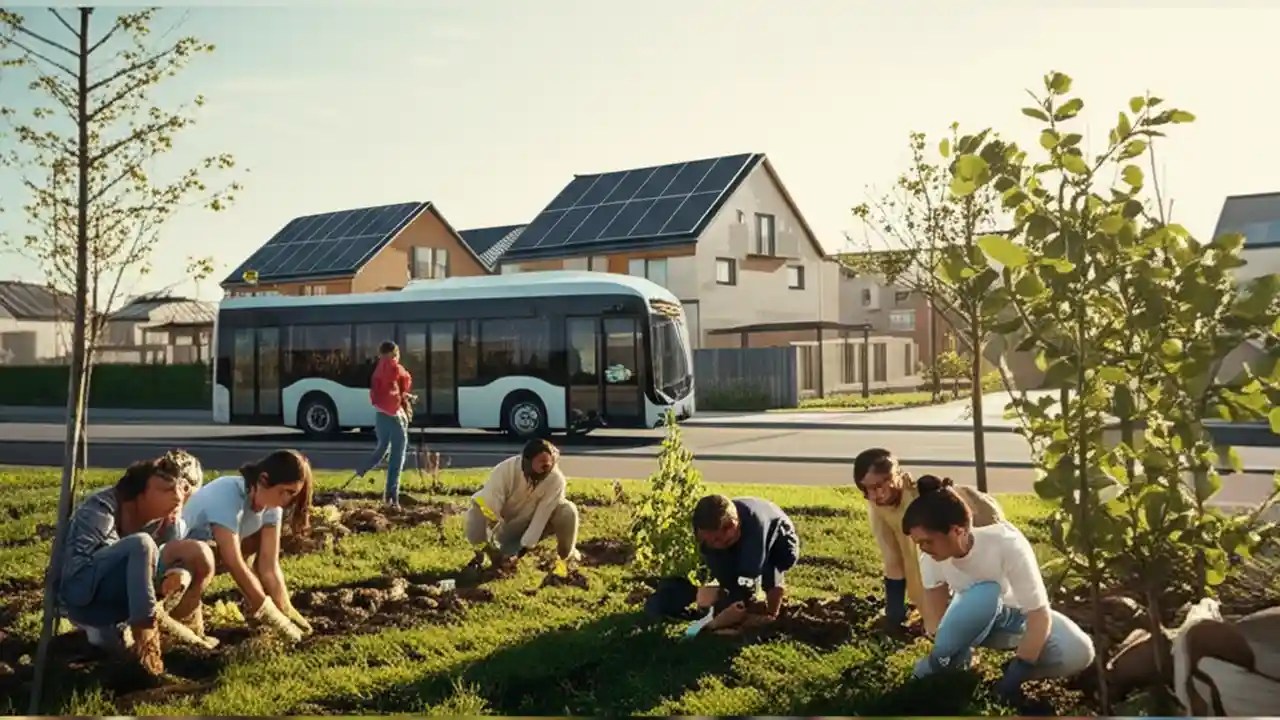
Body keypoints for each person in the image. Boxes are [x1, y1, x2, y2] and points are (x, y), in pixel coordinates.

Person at [902, 475, 1094, 704]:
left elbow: (1039, 617)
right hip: (970, 615)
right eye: (919, 544)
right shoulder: (931, 557)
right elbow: (934, 620)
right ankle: (937, 668)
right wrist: (953, 647)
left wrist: (1018, 672)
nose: (924, 549)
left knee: (1079, 651)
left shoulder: (1006, 544)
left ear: (956, 531)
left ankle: (1007, 675)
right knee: (985, 595)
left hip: (1016, 618)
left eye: (927, 542)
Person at [58, 457, 213, 675]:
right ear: (140, 493)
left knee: (197, 553)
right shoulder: (100, 510)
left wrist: (179, 572)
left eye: (179, 488)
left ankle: (178, 633)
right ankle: (148, 649)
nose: (178, 496)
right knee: (142, 544)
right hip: (86, 599)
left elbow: (168, 557)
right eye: (166, 489)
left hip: (126, 601)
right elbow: (77, 579)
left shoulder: (165, 520)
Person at [853, 447, 1005, 634]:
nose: (875, 496)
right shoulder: (877, 506)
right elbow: (892, 559)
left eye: (879, 486)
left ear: (897, 476)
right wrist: (894, 613)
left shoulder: (923, 500)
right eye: (866, 490)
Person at [179, 449, 315, 642]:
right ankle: (186, 624)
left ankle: (255, 616)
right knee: (204, 556)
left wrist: (286, 609)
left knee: (248, 546)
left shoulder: (271, 507)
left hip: (213, 557)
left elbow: (269, 567)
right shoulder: (228, 494)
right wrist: (270, 614)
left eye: (292, 495)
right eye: (286, 492)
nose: (286, 502)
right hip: (181, 562)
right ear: (263, 479)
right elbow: (233, 562)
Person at [691, 494, 800, 632]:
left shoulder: (755, 531)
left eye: (716, 539)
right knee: (724, 569)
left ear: (732, 526)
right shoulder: (710, 537)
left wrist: (736, 609)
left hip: (779, 538)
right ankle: (739, 611)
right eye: (707, 541)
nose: (712, 545)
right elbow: (717, 565)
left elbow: (748, 576)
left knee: (769, 565)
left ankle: (771, 615)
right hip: (739, 539)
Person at [466, 438, 579, 569]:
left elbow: (541, 518)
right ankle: (481, 556)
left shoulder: (556, 480)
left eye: (549, 464)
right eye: (541, 464)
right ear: (526, 462)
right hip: (502, 528)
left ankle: (566, 558)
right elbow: (491, 509)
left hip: (527, 526)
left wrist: (521, 552)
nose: (546, 469)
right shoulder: (505, 471)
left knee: (567, 510)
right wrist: (492, 547)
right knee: (478, 509)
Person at [352, 341, 413, 507]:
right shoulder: (394, 367)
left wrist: (402, 397)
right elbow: (403, 383)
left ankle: (361, 470)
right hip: (394, 416)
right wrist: (404, 399)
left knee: (382, 448)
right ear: (395, 353)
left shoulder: (378, 370)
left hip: (380, 415)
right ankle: (392, 497)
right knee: (397, 456)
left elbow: (386, 391)